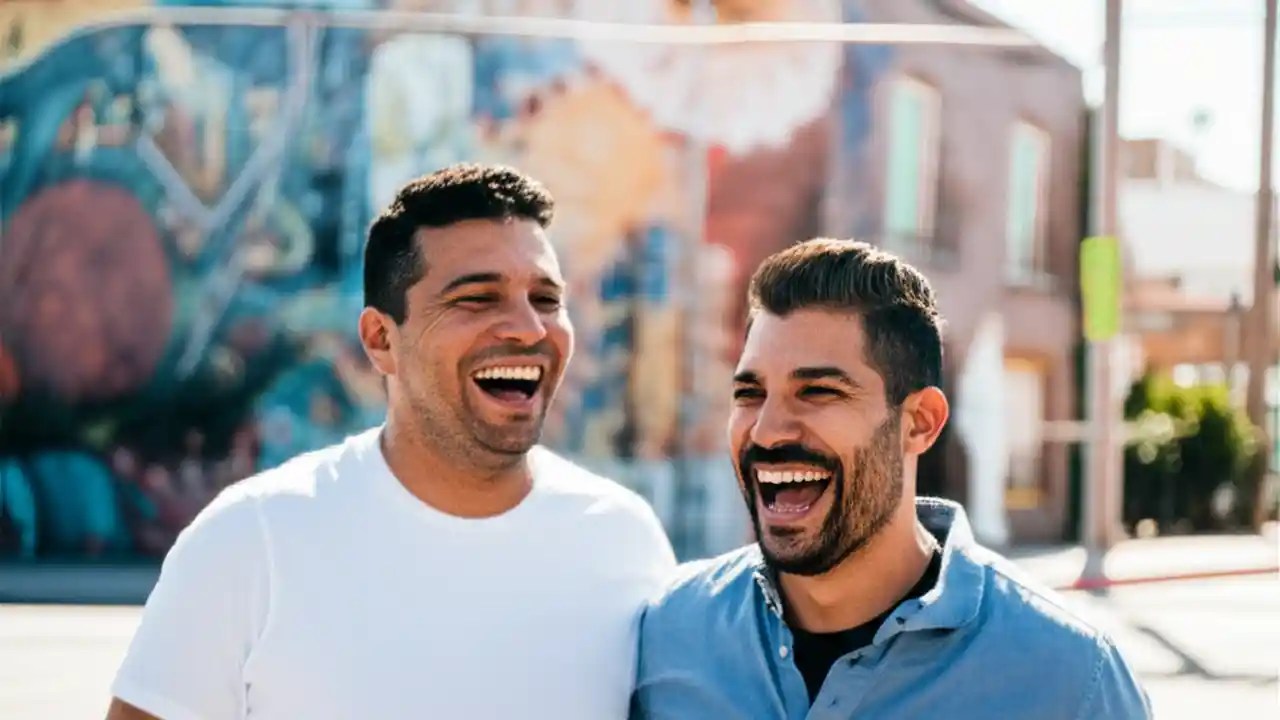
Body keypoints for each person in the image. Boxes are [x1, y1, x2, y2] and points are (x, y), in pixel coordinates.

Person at [107, 164, 676, 720]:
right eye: (477, 298)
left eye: (546, 299)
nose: (529, 328)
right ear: (381, 340)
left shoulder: (624, 539)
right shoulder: (251, 541)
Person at [630, 238, 1151, 719]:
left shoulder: (1072, 679)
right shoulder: (670, 633)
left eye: (818, 392)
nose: (766, 431)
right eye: (749, 394)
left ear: (920, 422)